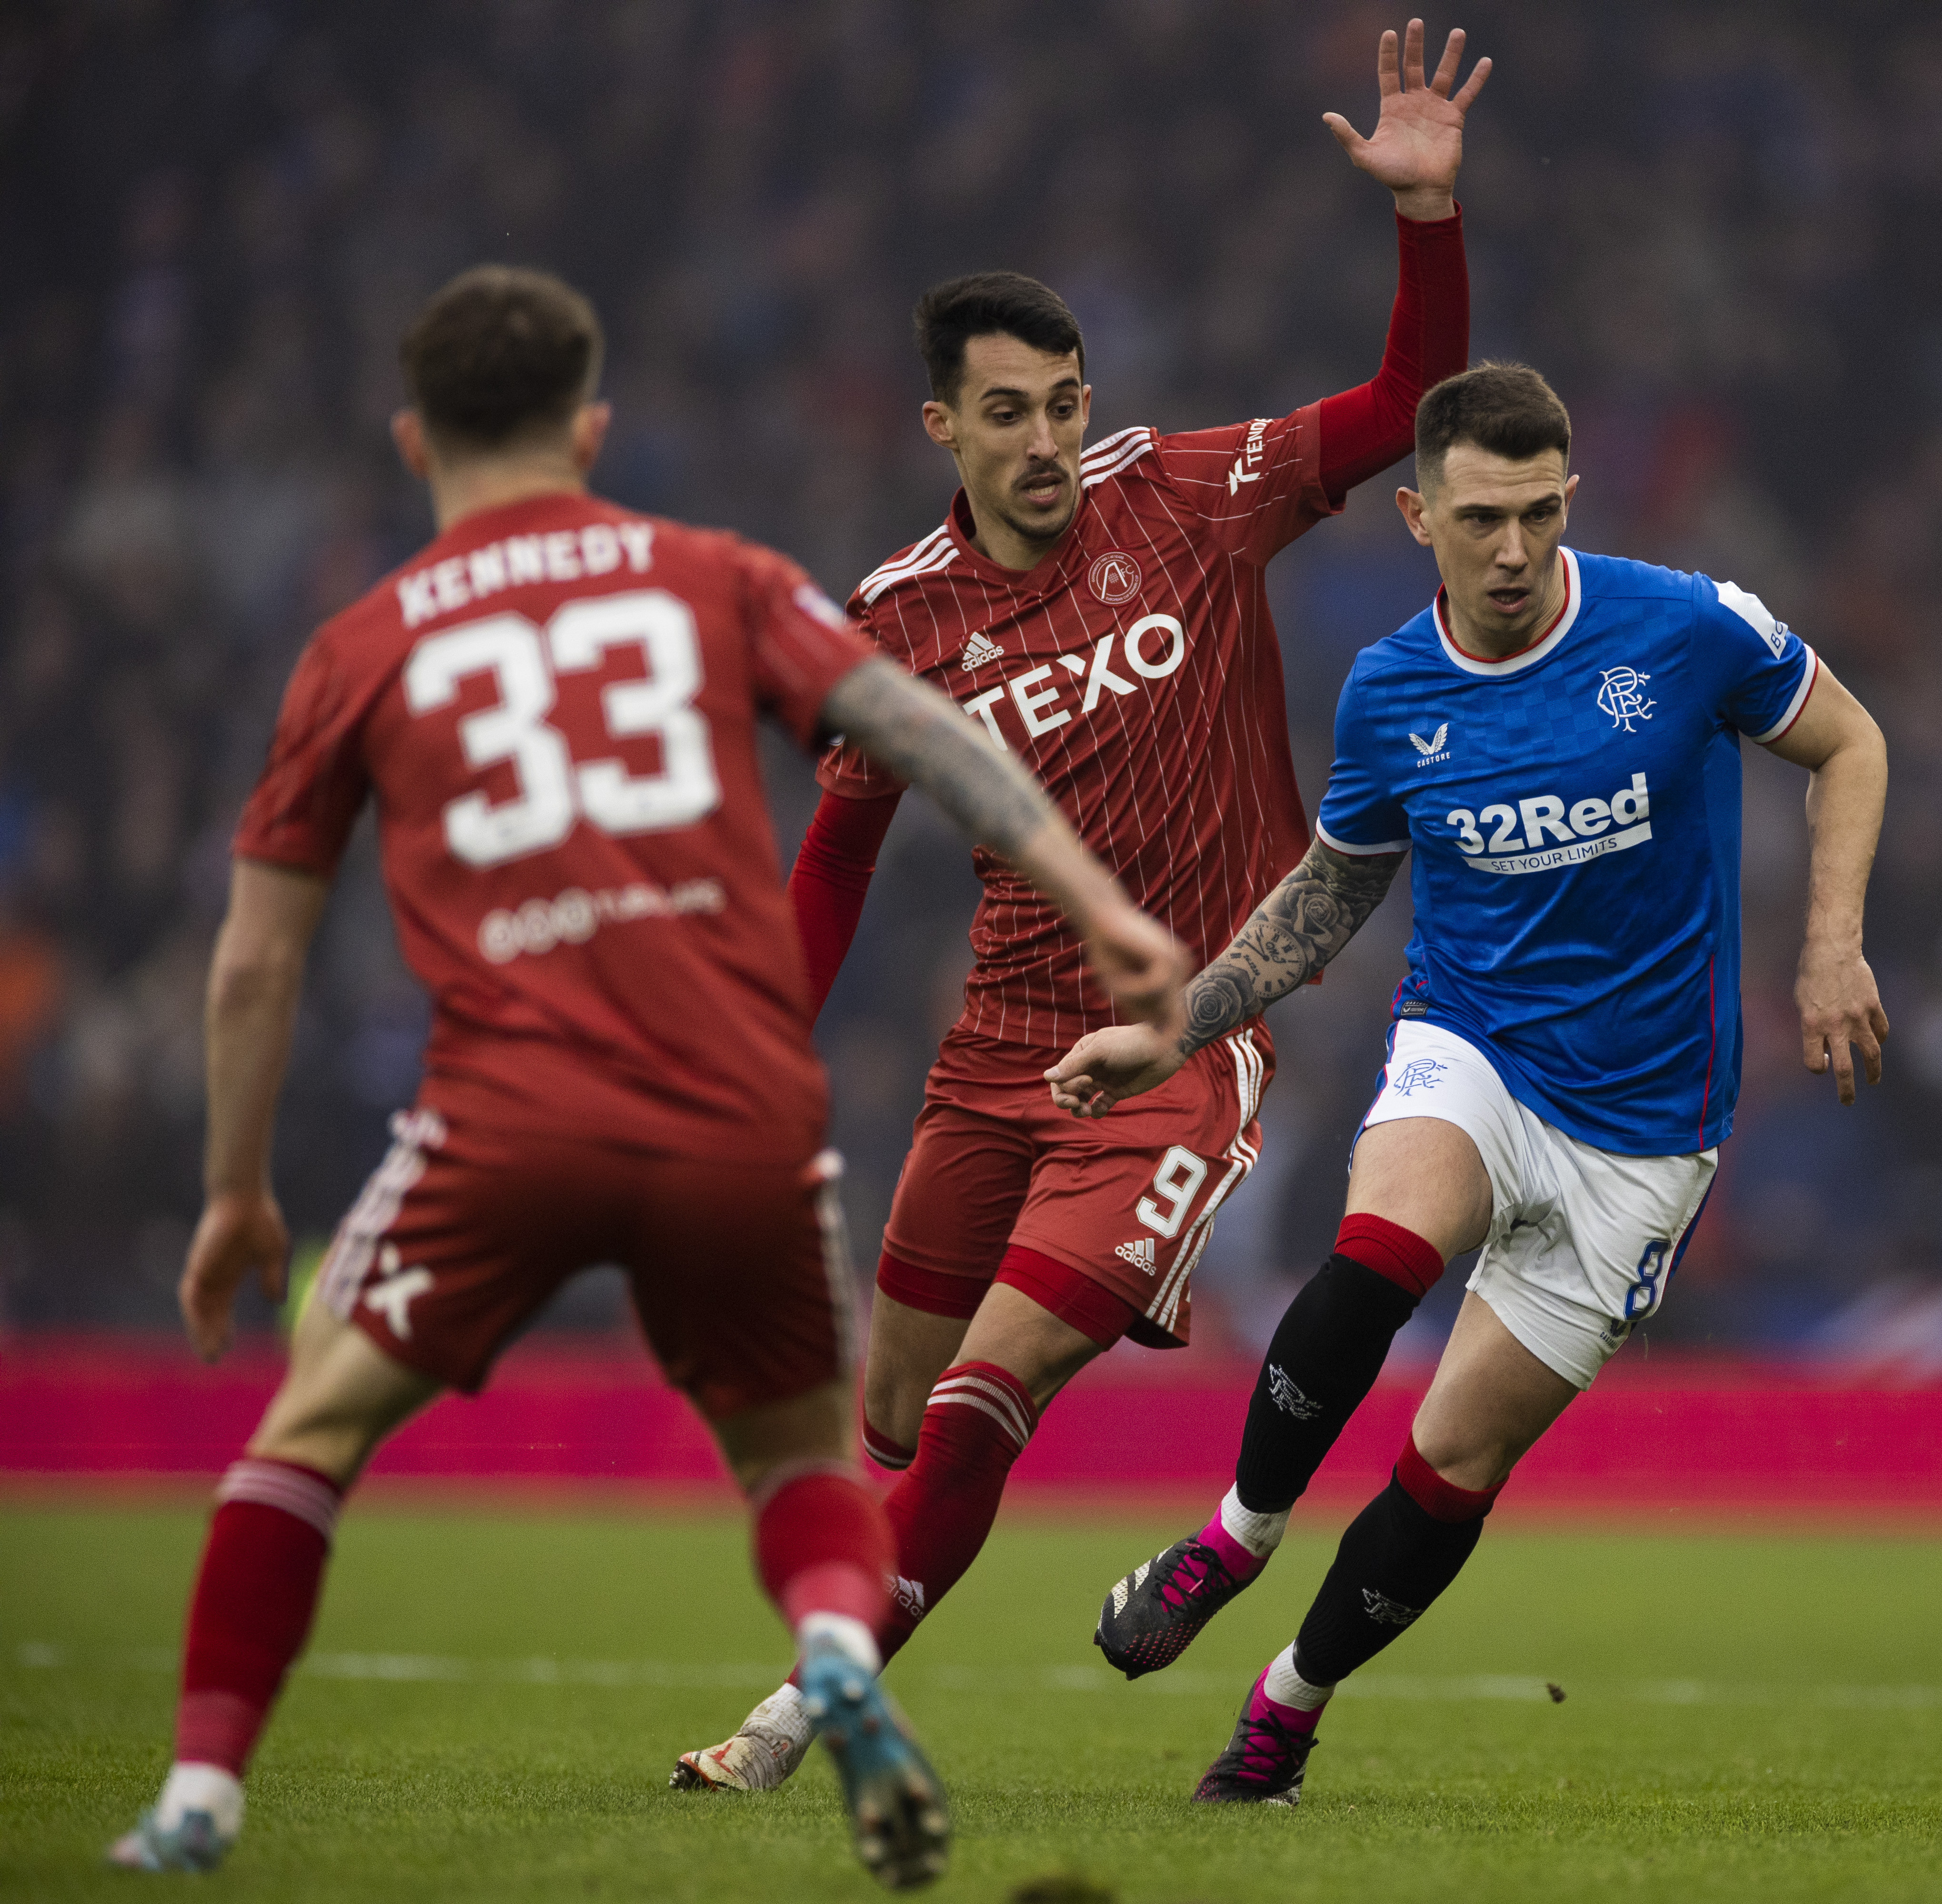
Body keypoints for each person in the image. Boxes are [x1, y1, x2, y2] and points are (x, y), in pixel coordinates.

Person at [105, 265, 1185, 1887]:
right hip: (731, 1105)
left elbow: (256, 960)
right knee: (806, 1458)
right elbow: (923, 734)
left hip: (509, 1102)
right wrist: (1105, 904)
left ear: (413, 442)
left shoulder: (358, 645)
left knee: (306, 1435)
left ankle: (195, 1800)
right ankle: (833, 1672)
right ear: (594, 428)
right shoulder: (715, 575)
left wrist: (234, 1194)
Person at [668, 18, 1489, 1798]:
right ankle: (1054, 1366)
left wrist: (1426, 221)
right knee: (895, 1414)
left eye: (1069, 400)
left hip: (1187, 1039)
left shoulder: (1187, 497)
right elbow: (832, 863)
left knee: (979, 1404)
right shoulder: (897, 621)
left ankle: (795, 1719)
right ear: (943, 425)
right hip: (993, 1057)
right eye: (1014, 414)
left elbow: (1402, 401)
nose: (1053, 439)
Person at [1047, 358, 1891, 1803]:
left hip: (1647, 1132)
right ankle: (1233, 1537)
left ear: (1568, 502)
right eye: (1483, 518)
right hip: (1476, 1047)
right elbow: (1331, 892)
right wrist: (1180, 1026)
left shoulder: (1685, 628)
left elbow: (1852, 740)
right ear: (1418, 515)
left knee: (1452, 1462)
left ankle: (1284, 1715)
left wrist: (1830, 947)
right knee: (1380, 1248)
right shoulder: (1390, 691)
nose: (1514, 550)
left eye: (1540, 515)